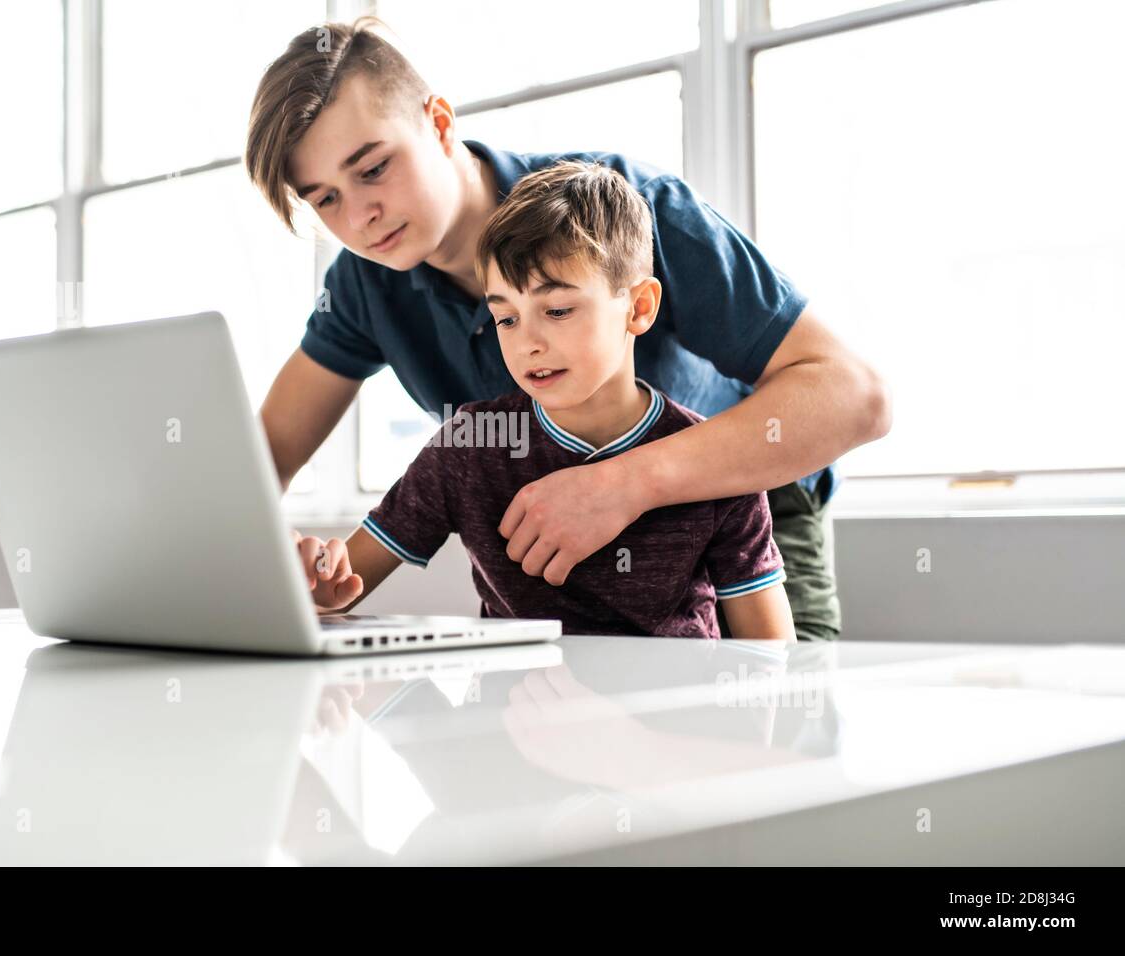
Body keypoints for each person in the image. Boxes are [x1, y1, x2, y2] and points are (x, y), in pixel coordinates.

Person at [247, 18, 891, 640]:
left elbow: (854, 398)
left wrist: (625, 482)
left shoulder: (626, 211)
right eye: (325, 198)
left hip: (736, 515)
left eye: (373, 168)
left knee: (767, 733)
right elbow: (262, 455)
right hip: (561, 565)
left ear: (439, 124)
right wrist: (274, 573)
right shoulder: (366, 283)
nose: (360, 217)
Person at [292, 160, 793, 639]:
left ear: (638, 307)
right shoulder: (469, 443)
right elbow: (338, 590)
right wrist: (322, 578)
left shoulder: (716, 468)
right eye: (506, 318)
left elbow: (771, 665)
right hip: (508, 721)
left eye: (556, 310)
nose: (526, 342)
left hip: (668, 722)